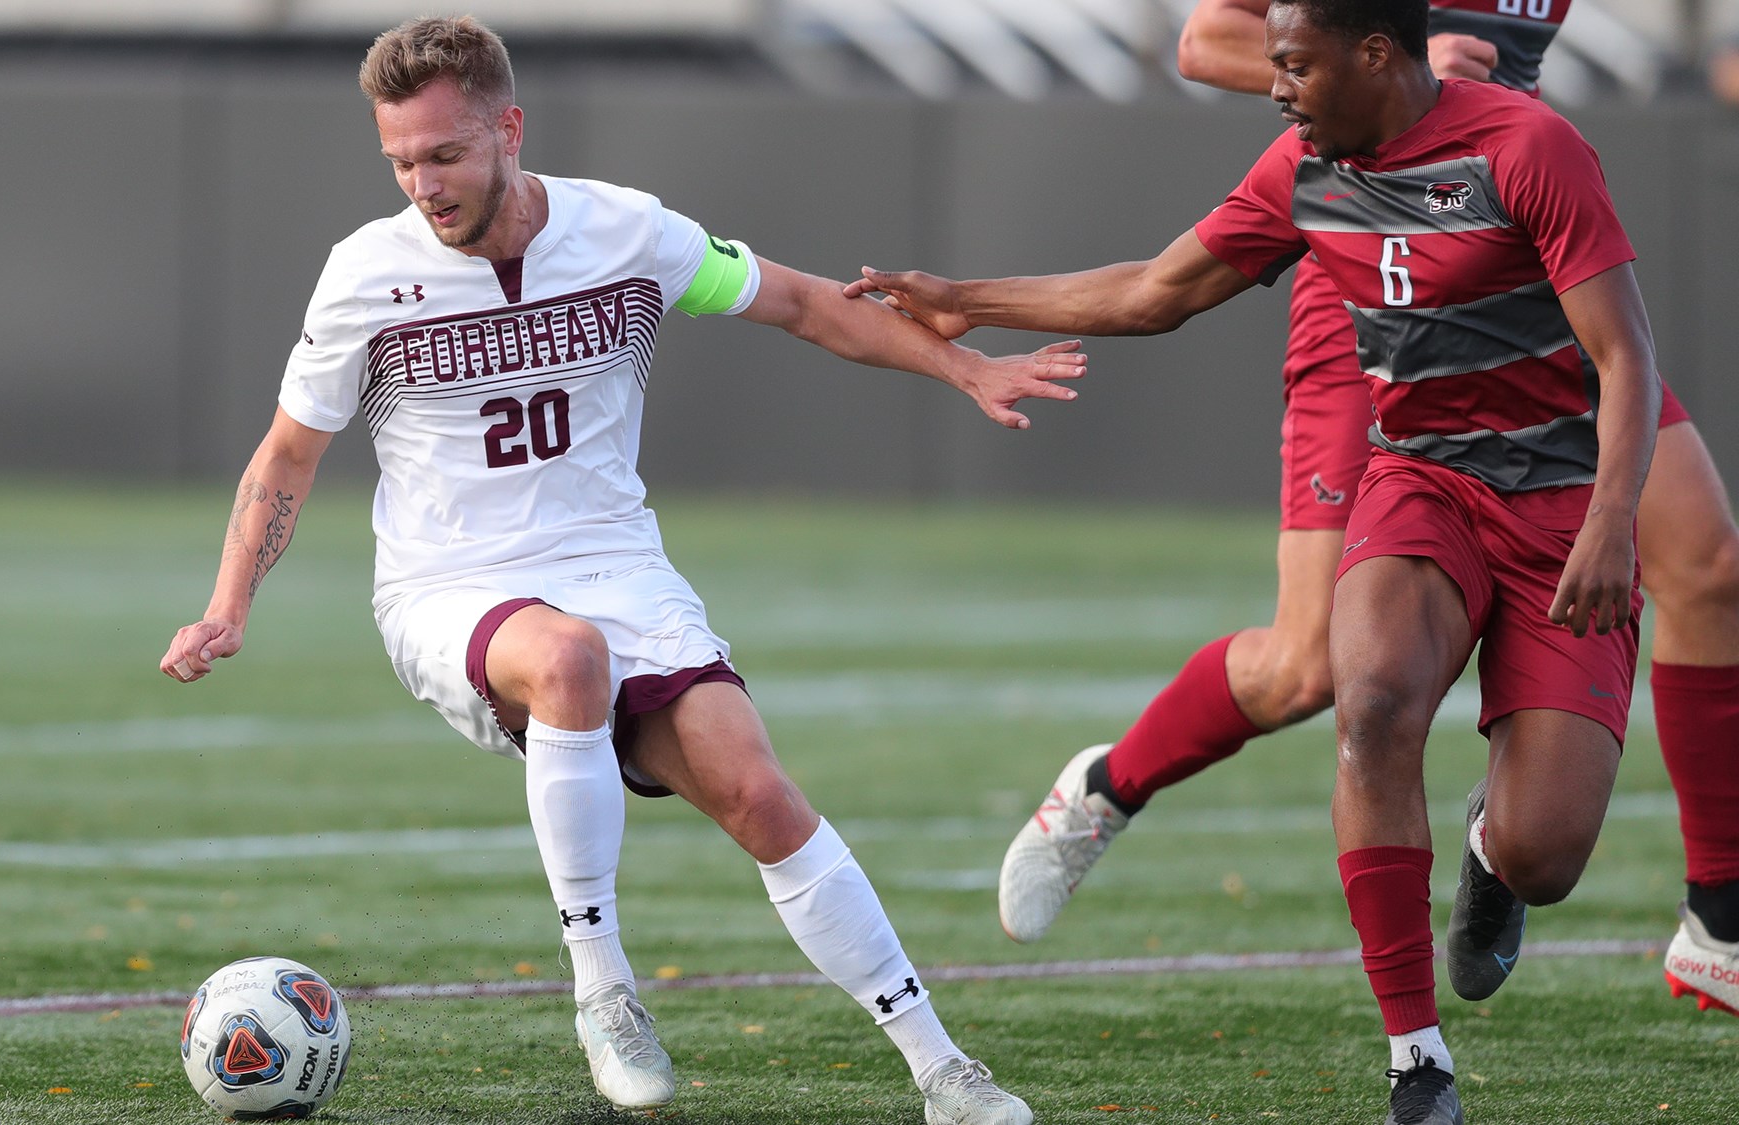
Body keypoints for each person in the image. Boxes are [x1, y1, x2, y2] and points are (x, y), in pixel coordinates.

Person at [157, 16, 1078, 1123]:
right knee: (569, 657)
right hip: (450, 586)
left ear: (508, 128)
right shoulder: (365, 274)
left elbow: (800, 304)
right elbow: (286, 455)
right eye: (400, 161)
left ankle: (942, 1072)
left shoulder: (624, 231)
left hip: (611, 563)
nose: (423, 185)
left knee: (760, 796)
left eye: (443, 154)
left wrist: (960, 366)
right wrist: (227, 608)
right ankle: (603, 989)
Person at [848, 0, 1664, 1119]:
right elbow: (1155, 290)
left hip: (1557, 501)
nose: (1273, 87)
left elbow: (1623, 353)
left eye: (1292, 66)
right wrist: (962, 301)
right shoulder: (1302, 164)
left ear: (1374, 54)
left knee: (1543, 858)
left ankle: (1491, 848)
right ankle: (1414, 1056)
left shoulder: (1523, 146)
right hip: (1420, 480)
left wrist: (1614, 518)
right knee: (1362, 693)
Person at [991, 0, 1739, 1020]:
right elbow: (1207, 39)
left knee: (1705, 561)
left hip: (1501, 257)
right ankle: (1109, 785)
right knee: (1309, 668)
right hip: (1371, 270)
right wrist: (1404, 71)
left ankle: (1714, 919)